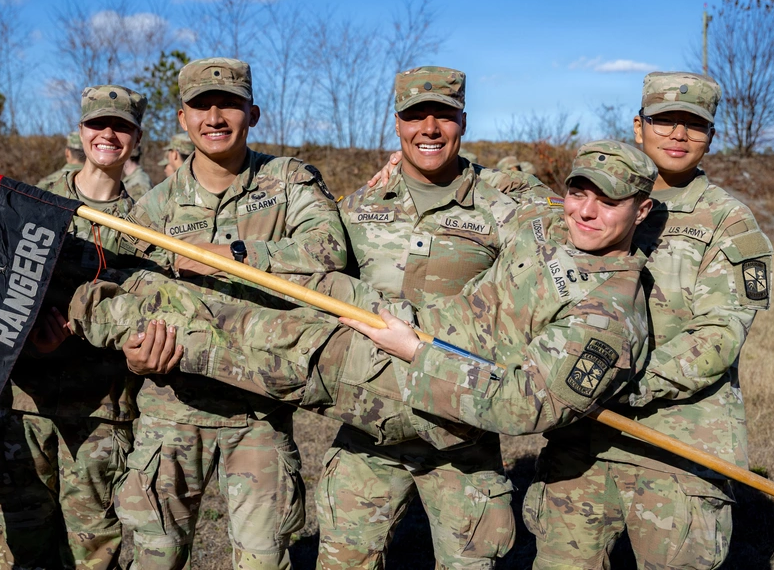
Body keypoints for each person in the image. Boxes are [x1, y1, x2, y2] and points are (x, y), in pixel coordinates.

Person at [63, 140, 655, 463]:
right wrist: (411, 170)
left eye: (608, 202)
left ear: (642, 210)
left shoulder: (610, 316)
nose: (586, 210)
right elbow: (513, 187)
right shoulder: (555, 225)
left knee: (245, 337)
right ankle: (95, 262)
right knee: (256, 285)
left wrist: (415, 352)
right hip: (401, 319)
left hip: (410, 376)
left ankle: (76, 306)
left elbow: (526, 407)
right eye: (579, 192)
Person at [521, 72, 773, 570]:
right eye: (664, 121)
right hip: (583, 440)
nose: (678, 134)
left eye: (693, 124)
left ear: (711, 135)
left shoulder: (728, 222)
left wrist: (620, 383)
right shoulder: (593, 203)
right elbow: (511, 205)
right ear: (639, 127)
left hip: (677, 446)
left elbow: (719, 334)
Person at [105, 57, 347, 570]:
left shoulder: (288, 182)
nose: (214, 118)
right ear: (183, 118)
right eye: (201, 106)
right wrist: (133, 356)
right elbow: (122, 300)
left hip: (258, 413)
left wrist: (234, 255)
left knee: (263, 560)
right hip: (171, 413)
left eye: (229, 105)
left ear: (252, 113)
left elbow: (329, 251)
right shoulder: (153, 209)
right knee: (156, 559)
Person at [313, 66, 518, 569]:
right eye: (414, 116)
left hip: (460, 432)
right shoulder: (357, 207)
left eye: (443, 115)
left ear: (463, 121)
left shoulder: (502, 209)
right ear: (397, 124)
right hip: (369, 429)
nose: (429, 128)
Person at [0, 85, 145, 569]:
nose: (108, 135)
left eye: (121, 126)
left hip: (99, 411)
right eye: (98, 124)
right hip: (25, 403)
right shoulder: (31, 200)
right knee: (23, 538)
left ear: (137, 138)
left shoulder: (147, 219)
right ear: (80, 131)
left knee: (93, 547)